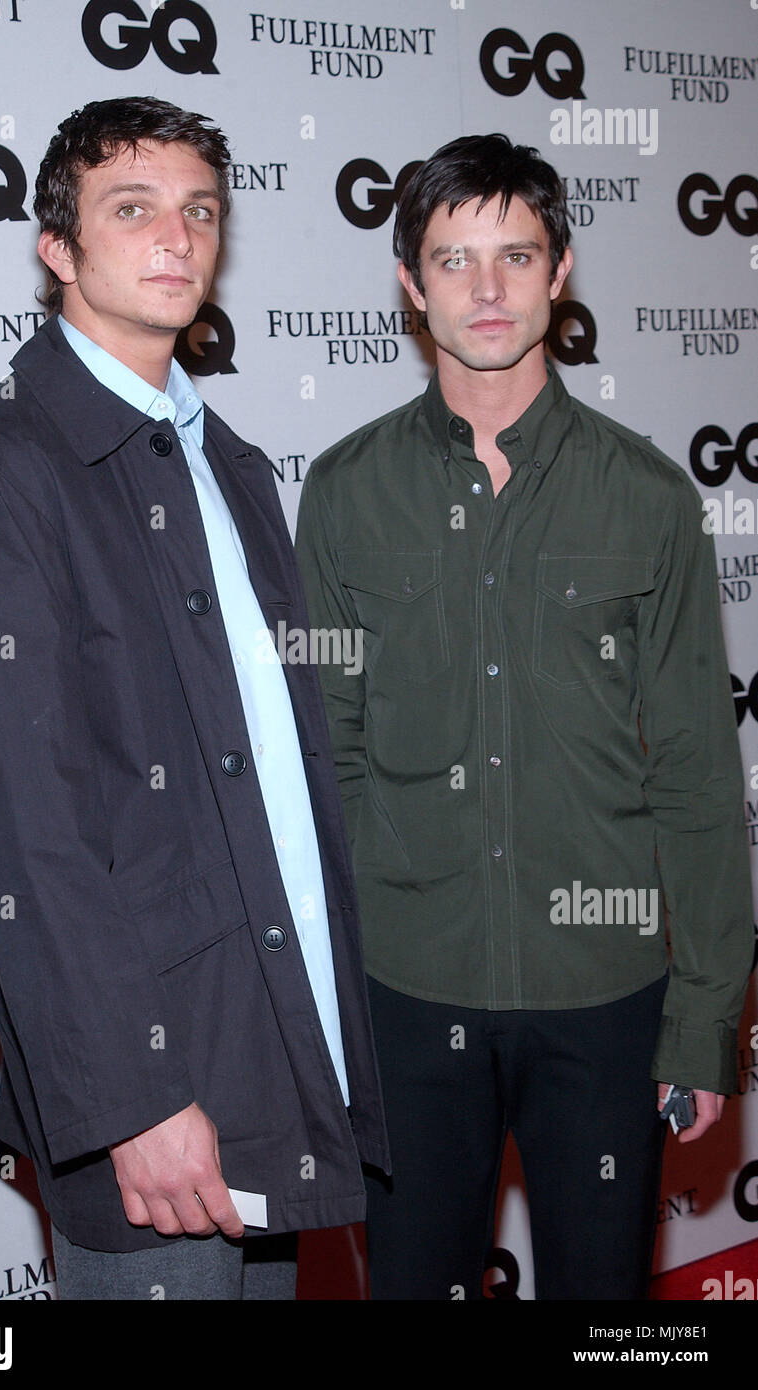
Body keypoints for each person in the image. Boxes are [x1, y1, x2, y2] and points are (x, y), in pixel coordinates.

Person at [0, 96, 388, 1301]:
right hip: (153, 1097)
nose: (176, 237)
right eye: (133, 210)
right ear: (57, 247)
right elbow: (23, 836)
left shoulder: (228, 464)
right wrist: (135, 1096)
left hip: (271, 1046)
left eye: (199, 211)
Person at [294, 133, 754, 1301]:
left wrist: (703, 1018)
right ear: (410, 282)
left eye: (516, 255)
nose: (486, 289)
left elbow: (700, 775)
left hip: (605, 1004)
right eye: (454, 259)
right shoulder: (345, 490)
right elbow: (327, 759)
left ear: (561, 272)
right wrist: (333, 1001)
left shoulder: (649, 498)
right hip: (406, 1000)